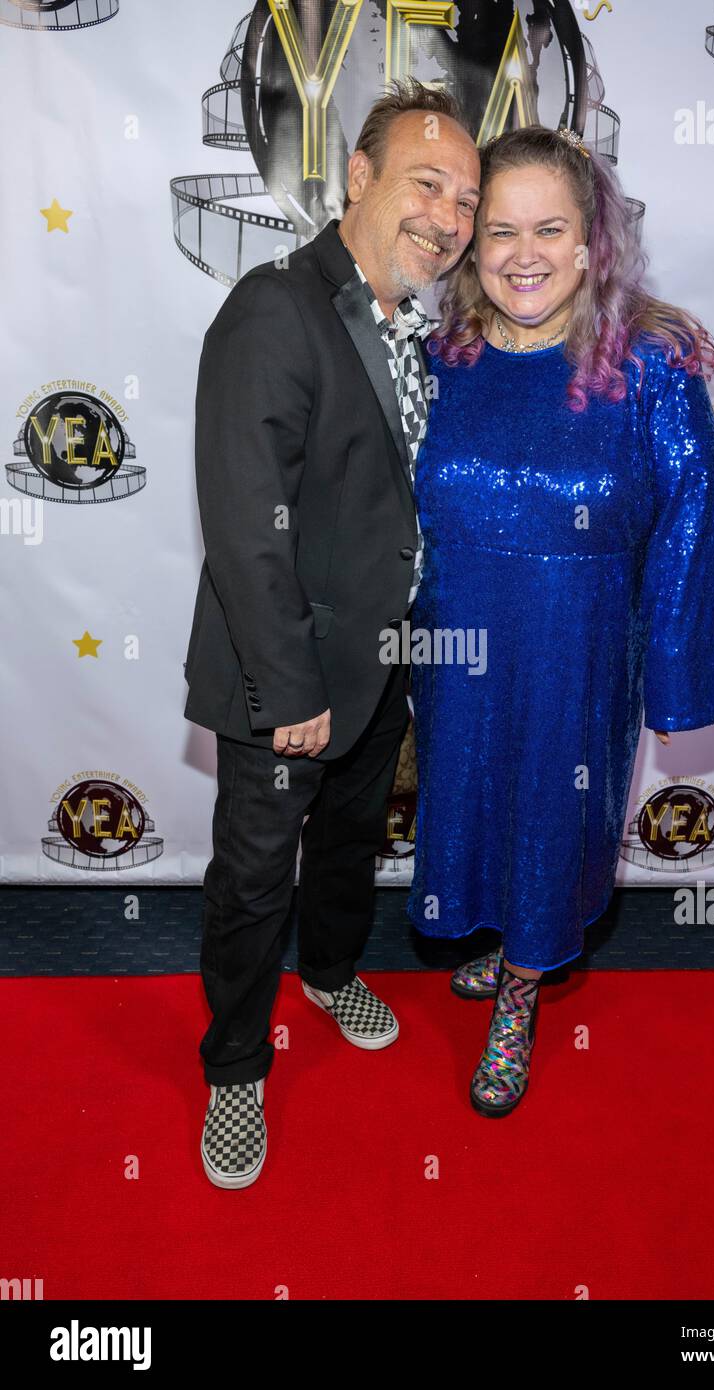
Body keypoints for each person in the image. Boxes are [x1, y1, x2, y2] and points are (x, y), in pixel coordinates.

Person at [183, 78, 481, 1186]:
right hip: (285, 679)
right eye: (424, 183)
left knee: (350, 849)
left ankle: (333, 969)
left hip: (384, 664)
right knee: (255, 878)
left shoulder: (418, 323)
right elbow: (243, 525)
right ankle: (231, 1072)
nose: (448, 218)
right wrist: (291, 687)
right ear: (356, 177)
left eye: (464, 197)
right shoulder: (274, 305)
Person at [406, 124, 714, 1117]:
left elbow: (692, 522)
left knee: (552, 807)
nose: (522, 253)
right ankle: (505, 942)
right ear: (470, 244)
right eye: (498, 230)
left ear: (590, 241)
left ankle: (522, 984)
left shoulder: (649, 369)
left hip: (577, 643)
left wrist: (677, 681)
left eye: (548, 227)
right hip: (455, 638)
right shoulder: (437, 358)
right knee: (466, 804)